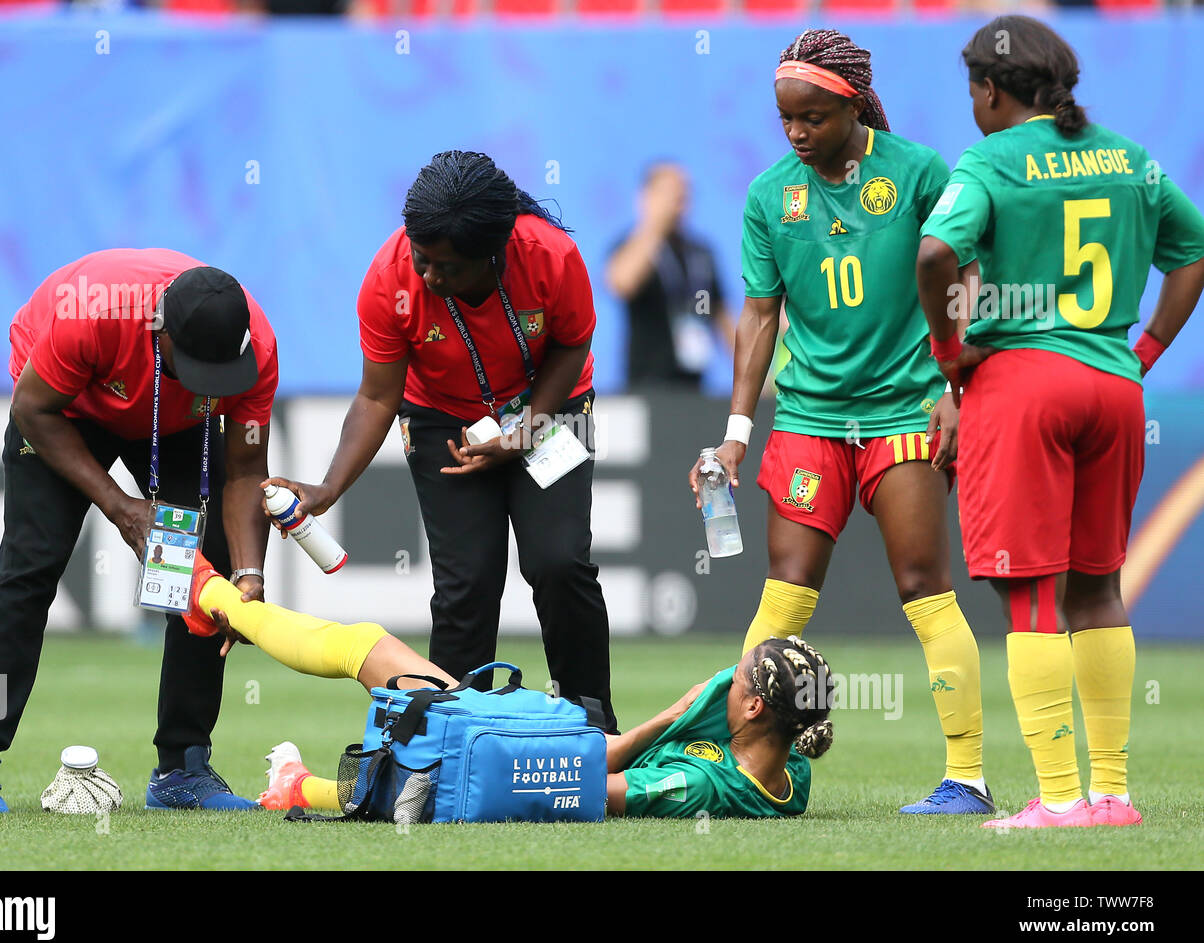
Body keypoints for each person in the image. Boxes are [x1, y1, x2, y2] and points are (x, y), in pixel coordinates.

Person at [689, 28, 993, 815]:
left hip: (904, 409)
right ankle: (743, 763)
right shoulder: (768, 196)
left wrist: (959, 385)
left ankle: (968, 777)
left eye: (812, 118)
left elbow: (967, 276)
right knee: (784, 593)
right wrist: (736, 430)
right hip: (810, 418)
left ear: (851, 104)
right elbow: (760, 316)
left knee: (924, 585)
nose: (797, 134)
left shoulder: (920, 172)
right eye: (785, 119)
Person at [917, 16, 1204, 829]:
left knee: (1031, 593)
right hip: (1112, 383)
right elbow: (1194, 250)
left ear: (989, 89)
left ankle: (1057, 798)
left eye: (972, 89)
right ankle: (1111, 794)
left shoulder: (989, 161)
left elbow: (937, 254)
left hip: (1022, 386)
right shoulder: (1127, 157)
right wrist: (1142, 350)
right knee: (1099, 587)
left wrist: (950, 351)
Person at [266, 150, 617, 731]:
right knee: (467, 583)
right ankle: (451, 735)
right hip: (441, 421)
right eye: (422, 257)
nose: (430, 276)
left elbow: (572, 345)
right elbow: (378, 396)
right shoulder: (388, 277)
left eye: (448, 267)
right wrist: (329, 487)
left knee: (558, 564)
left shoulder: (551, 255)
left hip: (551, 414)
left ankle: (593, 727)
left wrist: (524, 429)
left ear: (494, 253)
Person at [0, 249, 279, 814]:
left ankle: (182, 767)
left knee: (207, 573)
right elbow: (32, 409)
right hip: (62, 408)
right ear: (160, 331)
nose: (214, 381)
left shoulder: (256, 345)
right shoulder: (91, 316)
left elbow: (246, 472)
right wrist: (123, 508)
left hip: (176, 423)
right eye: (197, 367)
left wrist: (249, 575)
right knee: (31, 565)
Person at [181, 552, 832, 819]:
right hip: (553, 730)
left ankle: (214, 596)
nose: (717, 689)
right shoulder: (789, 772)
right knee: (377, 664)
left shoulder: (695, 785)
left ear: (751, 706)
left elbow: (582, 781)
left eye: (735, 682)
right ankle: (298, 788)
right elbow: (787, 740)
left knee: (368, 653)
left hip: (542, 747)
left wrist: (668, 716)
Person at [606, 162, 736, 389]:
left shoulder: (701, 253)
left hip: (694, 386)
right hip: (645, 384)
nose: (678, 200)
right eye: (669, 192)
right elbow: (622, 283)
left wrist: (754, 377)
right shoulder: (630, 245)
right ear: (646, 196)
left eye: (684, 193)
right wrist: (655, 224)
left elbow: (722, 318)